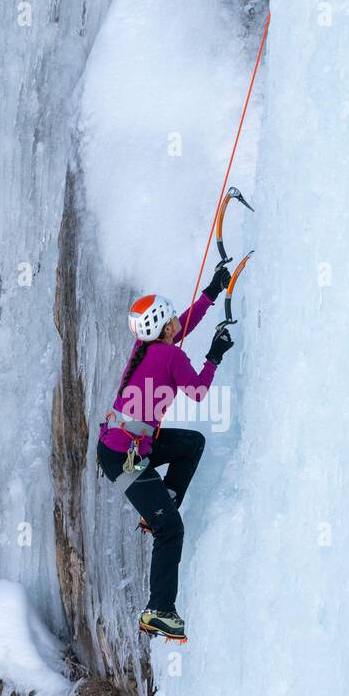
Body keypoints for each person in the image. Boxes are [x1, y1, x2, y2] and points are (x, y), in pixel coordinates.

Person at [96, 263, 234, 641]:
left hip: (124, 447)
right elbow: (199, 392)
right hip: (125, 457)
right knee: (169, 529)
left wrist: (211, 292)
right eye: (171, 316)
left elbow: (182, 326)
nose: (176, 319)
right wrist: (215, 356)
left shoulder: (148, 348)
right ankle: (159, 610)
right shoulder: (169, 357)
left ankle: (165, 497)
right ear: (163, 326)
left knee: (192, 443)